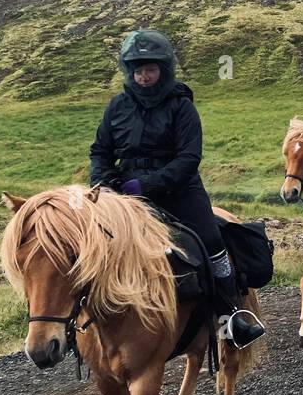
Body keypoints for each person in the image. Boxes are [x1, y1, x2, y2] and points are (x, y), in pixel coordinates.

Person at [90, 29, 264, 347]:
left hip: (179, 191)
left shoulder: (181, 106)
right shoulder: (116, 107)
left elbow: (188, 158)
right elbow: (100, 151)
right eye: (138, 70)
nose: (144, 76)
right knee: (90, 244)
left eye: (151, 69)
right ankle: (81, 322)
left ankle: (232, 315)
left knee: (210, 240)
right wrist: (104, 181)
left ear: (164, 70)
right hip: (125, 195)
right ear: (129, 71)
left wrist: (148, 184)